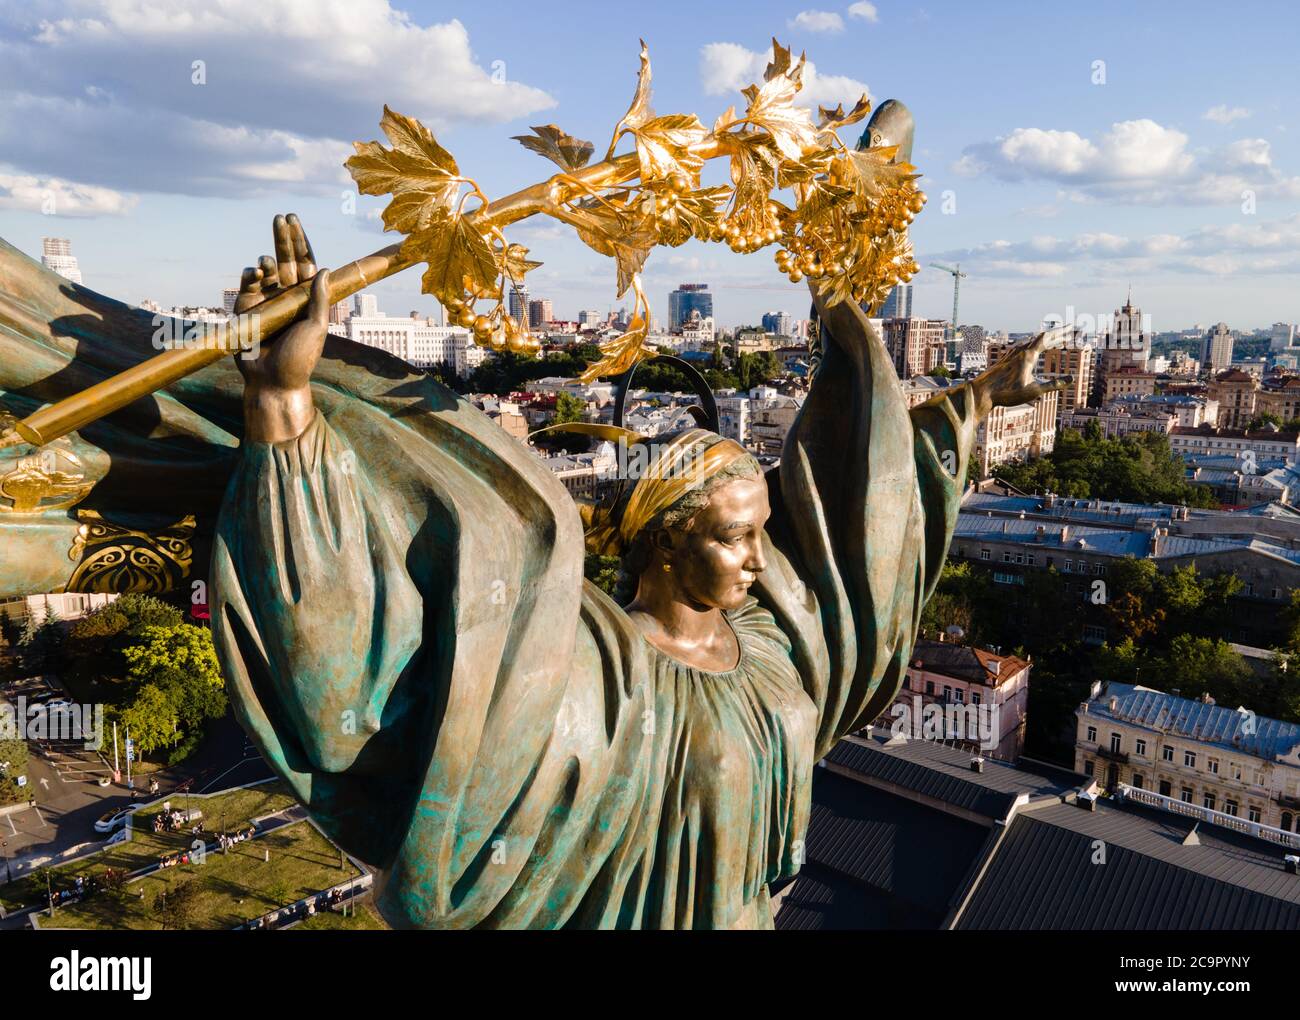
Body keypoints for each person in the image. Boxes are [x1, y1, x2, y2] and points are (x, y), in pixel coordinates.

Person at [211, 214, 1062, 929]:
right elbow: (373, 650)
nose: (759, 561)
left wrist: (979, 398)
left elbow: (858, 530)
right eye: (734, 539)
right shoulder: (582, 667)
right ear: (664, 540)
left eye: (761, 534)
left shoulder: (778, 642)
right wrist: (282, 408)